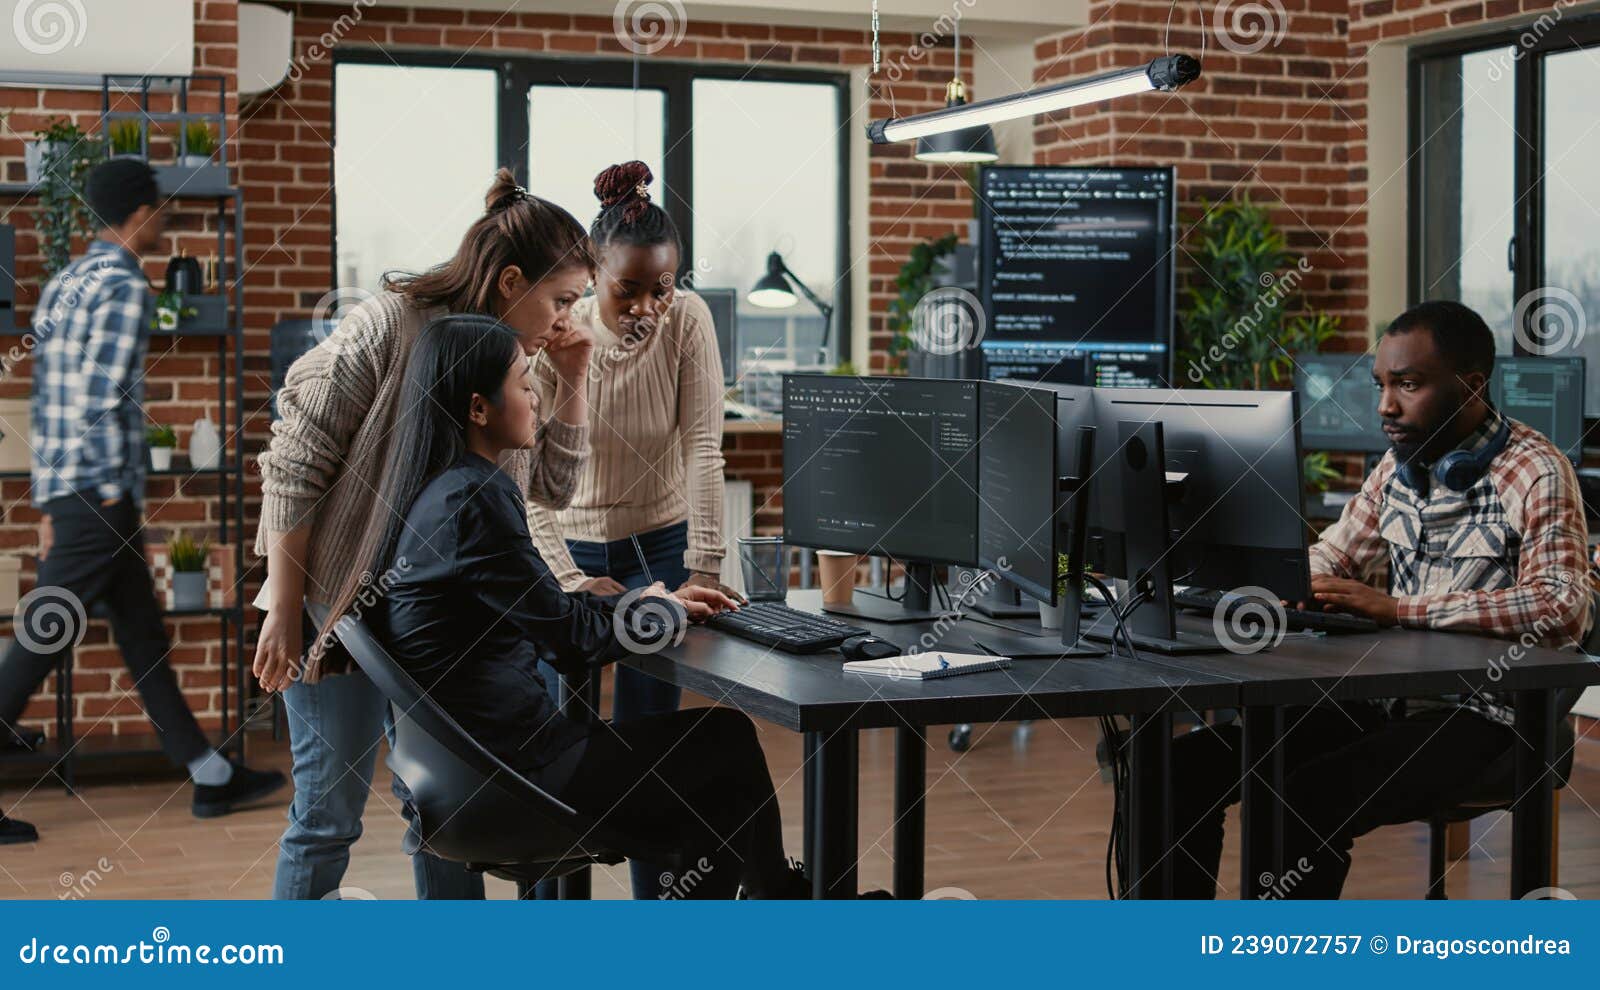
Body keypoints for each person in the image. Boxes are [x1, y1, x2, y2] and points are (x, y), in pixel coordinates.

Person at [326, 313, 812, 899]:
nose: (534, 397)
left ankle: (778, 907)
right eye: (523, 382)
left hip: (467, 778)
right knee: (725, 745)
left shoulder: (433, 489)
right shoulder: (475, 498)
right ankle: (773, 913)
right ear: (479, 408)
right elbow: (570, 641)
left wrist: (655, 602)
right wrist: (663, 612)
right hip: (519, 779)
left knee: (711, 762)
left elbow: (548, 611)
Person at [1167, 299, 1593, 898]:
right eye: (1382, 385)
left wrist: (1397, 608)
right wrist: (1288, 584)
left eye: (1408, 385)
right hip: (1382, 701)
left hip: (1492, 720)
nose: (1386, 406)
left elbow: (1562, 605)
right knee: (1182, 769)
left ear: (1471, 386)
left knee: (1303, 797)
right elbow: (1334, 557)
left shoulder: (1537, 471)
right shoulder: (1397, 468)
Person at [252, 170, 595, 899]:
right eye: (562, 299)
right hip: (337, 608)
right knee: (326, 816)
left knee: (444, 811)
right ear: (510, 281)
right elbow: (295, 459)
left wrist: (574, 375)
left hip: (440, 621)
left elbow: (552, 491)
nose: (566, 318)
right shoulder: (392, 324)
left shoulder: (518, 360)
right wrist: (285, 609)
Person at [0, 158, 284, 843]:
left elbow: (47, 404)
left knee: (141, 637)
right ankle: (210, 774)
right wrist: (101, 499)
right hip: (98, 497)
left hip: (76, 495)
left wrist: (49, 504)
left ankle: (210, 776)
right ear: (138, 216)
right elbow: (101, 398)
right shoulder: (125, 285)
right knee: (37, 644)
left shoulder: (66, 283)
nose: (162, 222)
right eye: (158, 210)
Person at [526, 161, 741, 898]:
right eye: (629, 289)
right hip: (574, 543)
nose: (648, 305)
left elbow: (703, 445)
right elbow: (528, 486)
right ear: (592, 276)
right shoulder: (557, 335)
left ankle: (658, 906)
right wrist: (569, 578)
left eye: (663, 286)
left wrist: (704, 563)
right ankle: (563, 906)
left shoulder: (689, 322)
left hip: (662, 540)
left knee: (653, 742)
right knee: (567, 739)